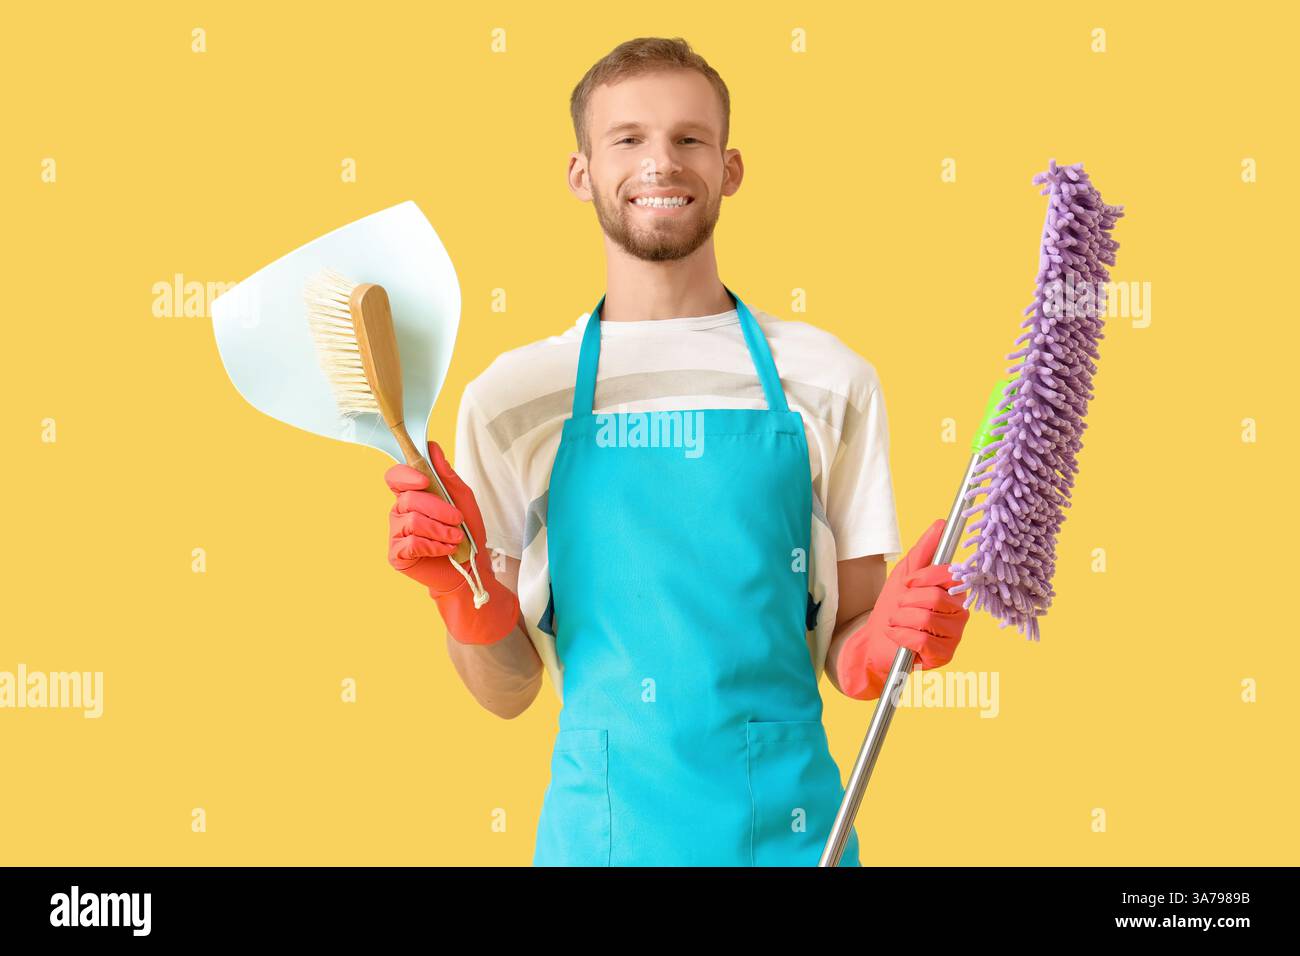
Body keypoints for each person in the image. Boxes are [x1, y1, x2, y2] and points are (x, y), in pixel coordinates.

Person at [383, 36, 970, 867]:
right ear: (582, 172)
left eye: (689, 138)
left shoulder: (830, 380)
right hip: (602, 842)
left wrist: (885, 647)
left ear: (729, 168)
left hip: (795, 840)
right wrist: (465, 605)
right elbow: (509, 691)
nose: (661, 162)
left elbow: (847, 643)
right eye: (628, 139)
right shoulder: (515, 399)